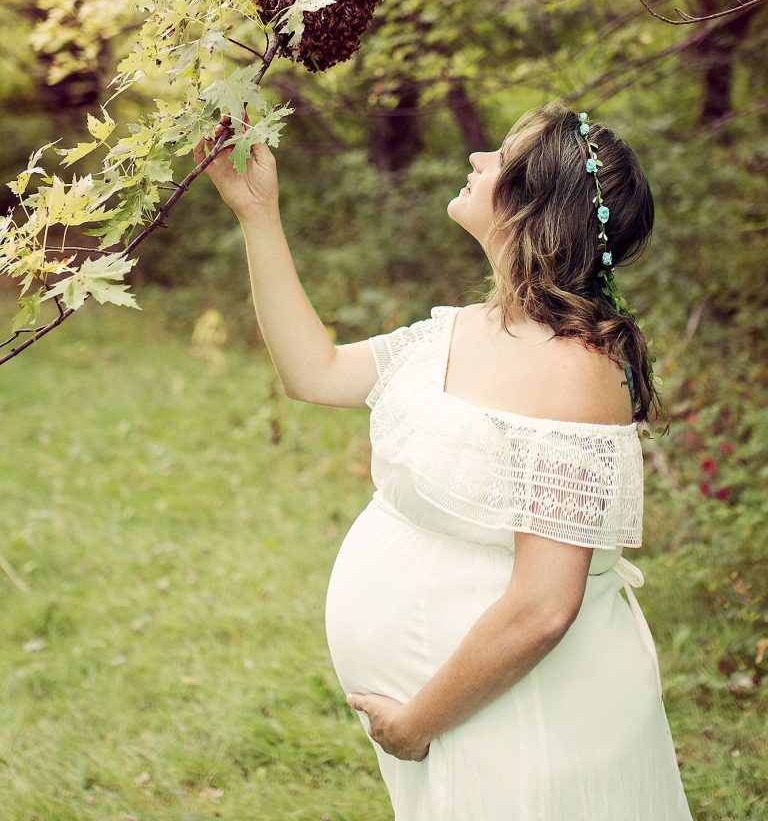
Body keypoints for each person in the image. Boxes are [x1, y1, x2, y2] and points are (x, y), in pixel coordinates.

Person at [195, 101, 695, 821]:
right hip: (458, 715)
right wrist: (256, 213)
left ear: (535, 205)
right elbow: (315, 372)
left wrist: (419, 720)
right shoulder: (461, 329)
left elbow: (544, 606)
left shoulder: (579, 371)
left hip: (522, 715)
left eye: (499, 158)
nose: (476, 160)